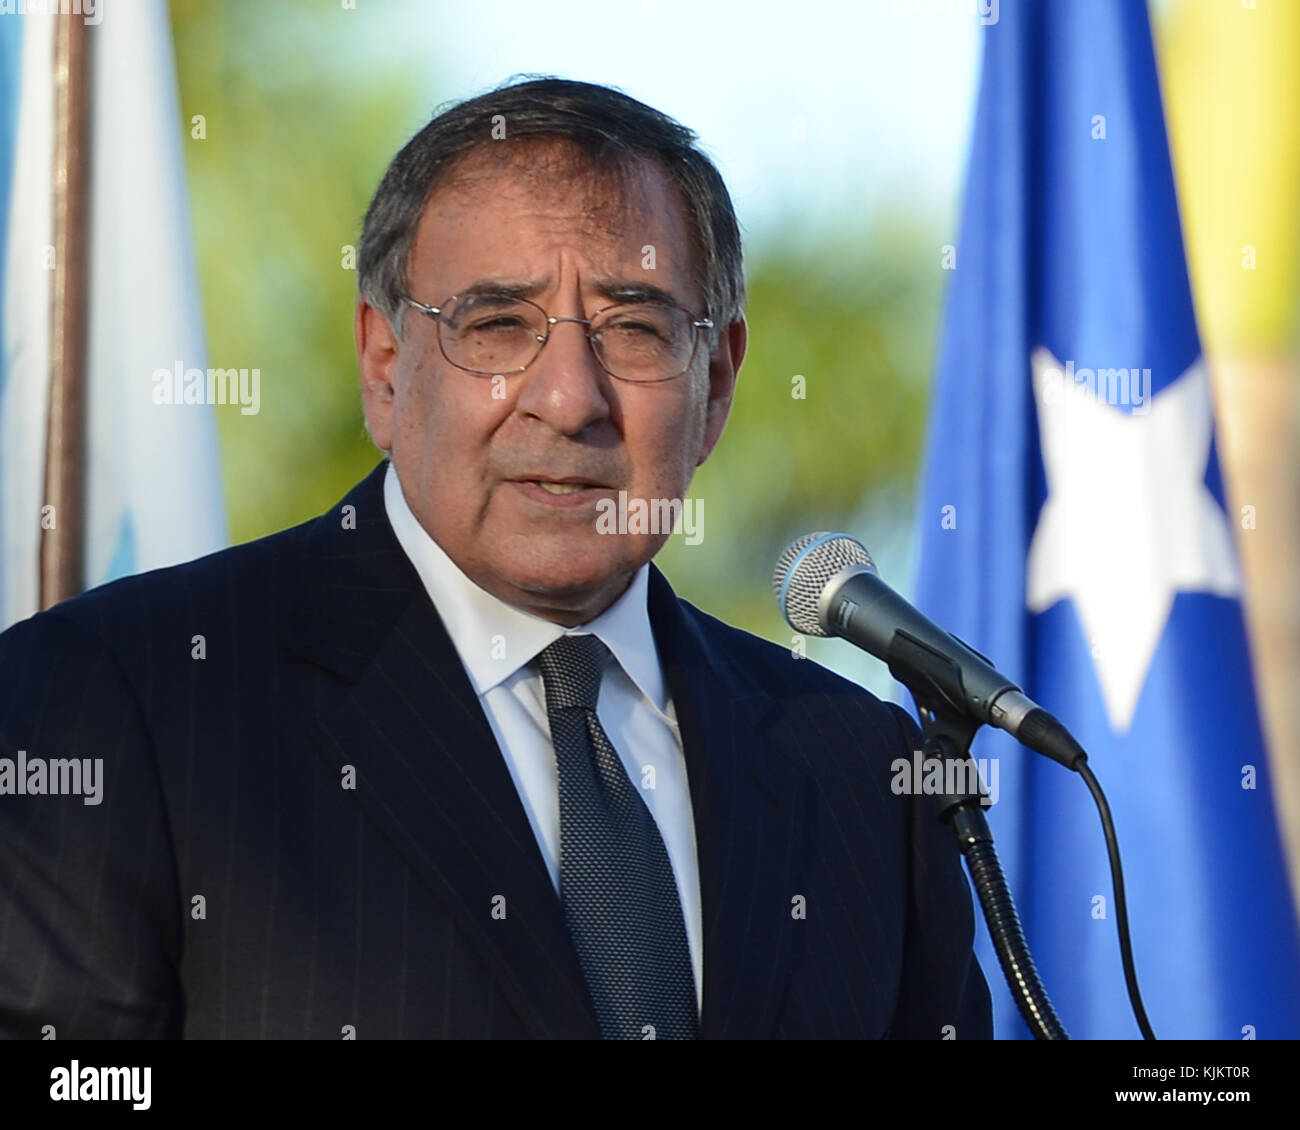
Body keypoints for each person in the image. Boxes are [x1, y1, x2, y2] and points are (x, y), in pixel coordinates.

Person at [0, 76, 991, 1039]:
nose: (568, 397)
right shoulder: (120, 701)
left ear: (716, 383)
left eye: (634, 328)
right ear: (385, 370)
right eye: (497, 324)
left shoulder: (862, 774)